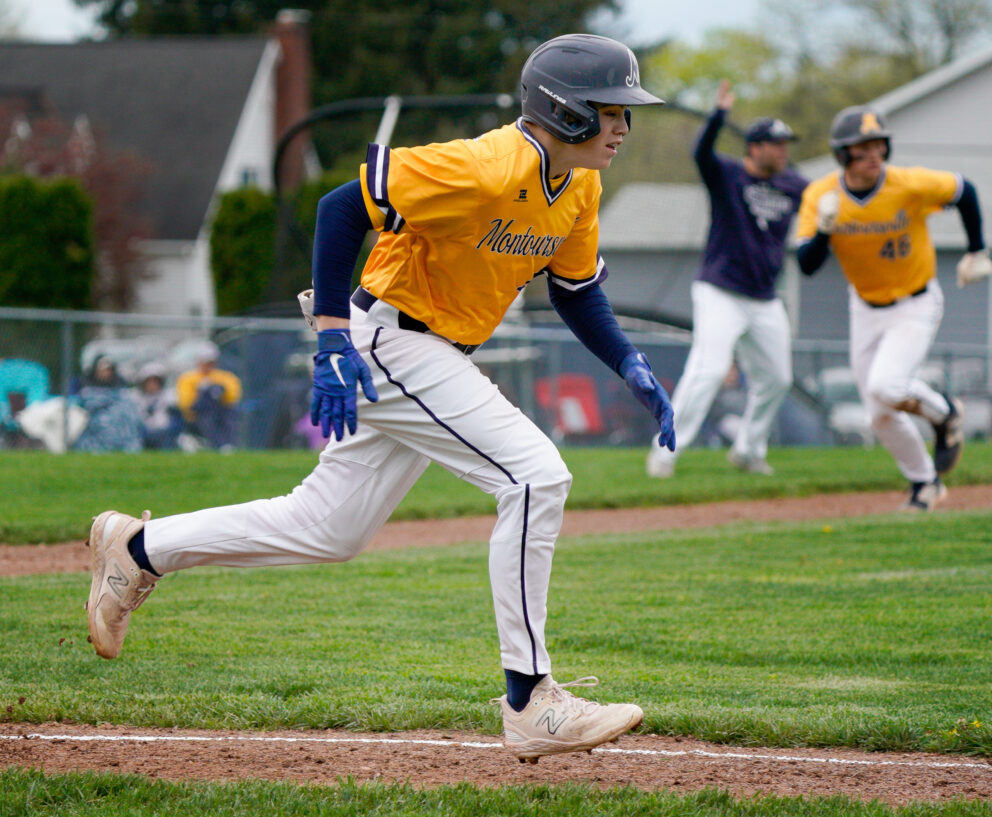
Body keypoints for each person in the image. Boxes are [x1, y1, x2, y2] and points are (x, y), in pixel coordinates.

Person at [86, 34, 675, 764]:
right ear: (566, 110)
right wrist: (331, 334)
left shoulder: (578, 185)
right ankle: (531, 700)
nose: (622, 125)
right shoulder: (489, 164)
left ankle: (140, 548)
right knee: (535, 475)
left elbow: (577, 291)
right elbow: (342, 206)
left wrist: (627, 361)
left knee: (327, 529)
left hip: (427, 350)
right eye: (611, 109)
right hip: (389, 341)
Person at [795, 106, 992, 511]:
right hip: (865, 307)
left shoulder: (908, 184)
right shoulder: (822, 196)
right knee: (878, 415)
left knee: (887, 386)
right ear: (842, 155)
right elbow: (807, 265)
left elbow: (964, 190)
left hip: (914, 302)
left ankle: (945, 412)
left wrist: (976, 250)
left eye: (878, 146)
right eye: (862, 148)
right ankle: (925, 483)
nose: (873, 155)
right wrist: (824, 231)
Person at [646, 80, 807, 479]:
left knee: (778, 378)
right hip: (720, 291)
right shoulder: (729, 175)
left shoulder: (794, 185)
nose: (784, 150)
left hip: (765, 297)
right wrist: (718, 115)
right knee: (710, 369)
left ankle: (748, 450)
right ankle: (665, 450)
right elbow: (701, 153)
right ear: (755, 147)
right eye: (777, 143)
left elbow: (824, 196)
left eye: (787, 143)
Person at [175, 342, 242, 451]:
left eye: (210, 362)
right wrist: (203, 391)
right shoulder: (188, 378)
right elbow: (185, 403)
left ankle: (228, 443)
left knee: (227, 415)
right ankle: (218, 444)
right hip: (198, 415)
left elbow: (233, 398)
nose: (208, 366)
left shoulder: (224, 377)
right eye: (205, 362)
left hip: (221, 412)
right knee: (207, 413)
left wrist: (217, 390)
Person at [71, 354, 143, 453]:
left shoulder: (121, 389)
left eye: (108, 370)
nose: (106, 373)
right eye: (102, 370)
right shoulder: (85, 387)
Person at [131, 362, 182, 450]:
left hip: (164, 432)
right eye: (149, 382)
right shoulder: (136, 397)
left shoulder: (169, 397)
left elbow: (177, 420)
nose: (152, 385)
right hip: (143, 432)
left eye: (155, 381)